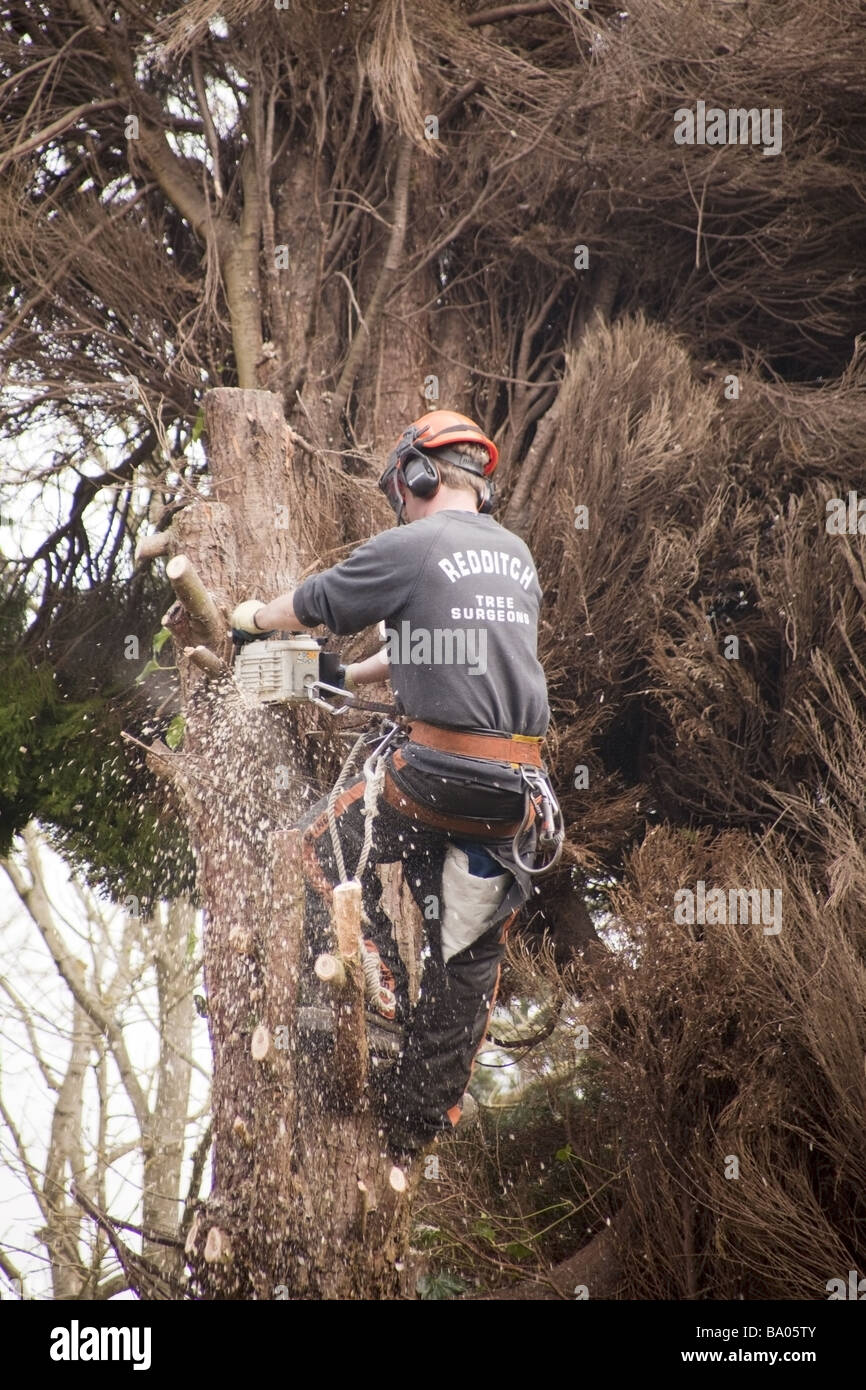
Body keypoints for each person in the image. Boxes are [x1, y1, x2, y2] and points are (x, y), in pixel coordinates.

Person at [231, 410, 558, 1155]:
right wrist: (344, 675)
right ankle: (410, 1127)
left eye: (401, 489)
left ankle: (373, 989)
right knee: (463, 960)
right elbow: (441, 638)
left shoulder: (417, 542)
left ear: (417, 474)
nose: (401, 503)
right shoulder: (515, 557)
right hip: (512, 798)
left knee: (317, 849)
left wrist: (252, 619)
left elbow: (317, 601)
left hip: (433, 776)